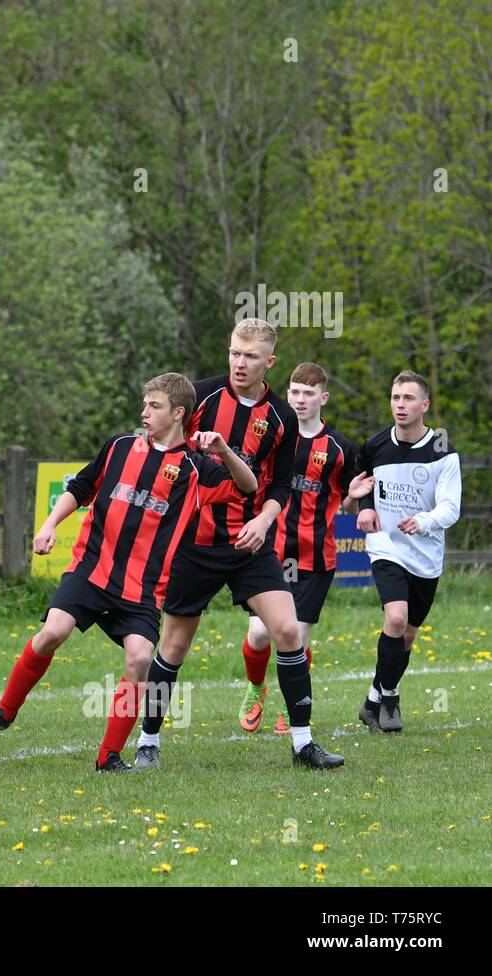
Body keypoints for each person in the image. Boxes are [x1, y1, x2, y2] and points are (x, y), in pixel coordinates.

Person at [0, 373, 257, 771]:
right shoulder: (119, 447)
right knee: (52, 633)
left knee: (139, 659)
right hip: (91, 570)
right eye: (144, 404)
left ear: (178, 414)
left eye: (154, 406)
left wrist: (223, 449)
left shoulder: (196, 468)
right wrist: (49, 525)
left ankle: (109, 757)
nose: (144, 412)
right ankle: (3, 713)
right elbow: (80, 487)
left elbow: (249, 486)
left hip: (143, 589)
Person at [133, 320, 344, 770]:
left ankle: (303, 744)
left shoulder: (282, 417)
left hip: (249, 543)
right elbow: (155, 449)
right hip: (194, 541)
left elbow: (282, 485)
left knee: (288, 631)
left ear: (269, 361)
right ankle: (148, 741)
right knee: (173, 647)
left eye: (250, 356)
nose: (239, 363)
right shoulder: (200, 398)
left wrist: (266, 521)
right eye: (234, 353)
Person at [237, 362, 364, 733]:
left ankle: (290, 708)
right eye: (294, 391)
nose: (300, 399)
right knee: (260, 634)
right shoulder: (270, 436)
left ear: (323, 398)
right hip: (269, 552)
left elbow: (348, 506)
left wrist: (354, 500)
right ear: (286, 393)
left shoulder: (340, 449)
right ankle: (256, 688)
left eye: (309, 393)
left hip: (314, 557)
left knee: (296, 638)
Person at [355, 370, 461, 733]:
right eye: (396, 397)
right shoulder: (375, 445)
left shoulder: (443, 451)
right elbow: (361, 480)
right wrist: (365, 506)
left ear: (424, 405)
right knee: (395, 619)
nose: (400, 405)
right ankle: (390, 699)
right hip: (386, 546)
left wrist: (424, 521)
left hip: (426, 554)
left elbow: (451, 508)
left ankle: (372, 701)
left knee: (408, 635)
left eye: (408, 398)